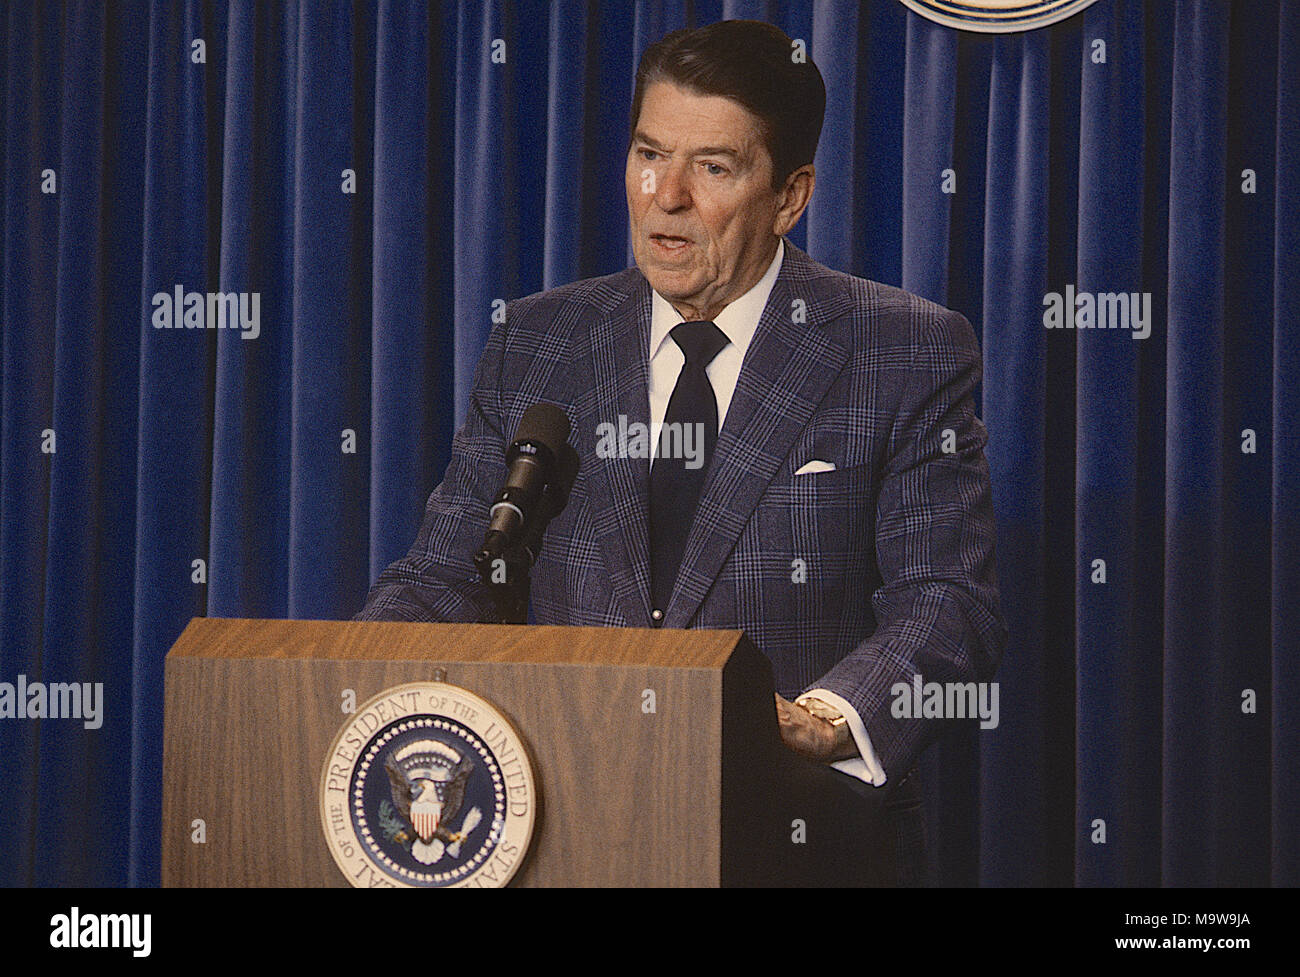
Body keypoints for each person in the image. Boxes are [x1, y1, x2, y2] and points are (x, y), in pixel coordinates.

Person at [356, 19, 1006, 885]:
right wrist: (341, 685)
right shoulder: (541, 341)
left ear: (789, 196)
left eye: (714, 167)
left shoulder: (901, 350)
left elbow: (949, 599)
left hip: (800, 843)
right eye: (648, 153)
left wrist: (824, 717)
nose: (665, 196)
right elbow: (447, 575)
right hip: (564, 839)